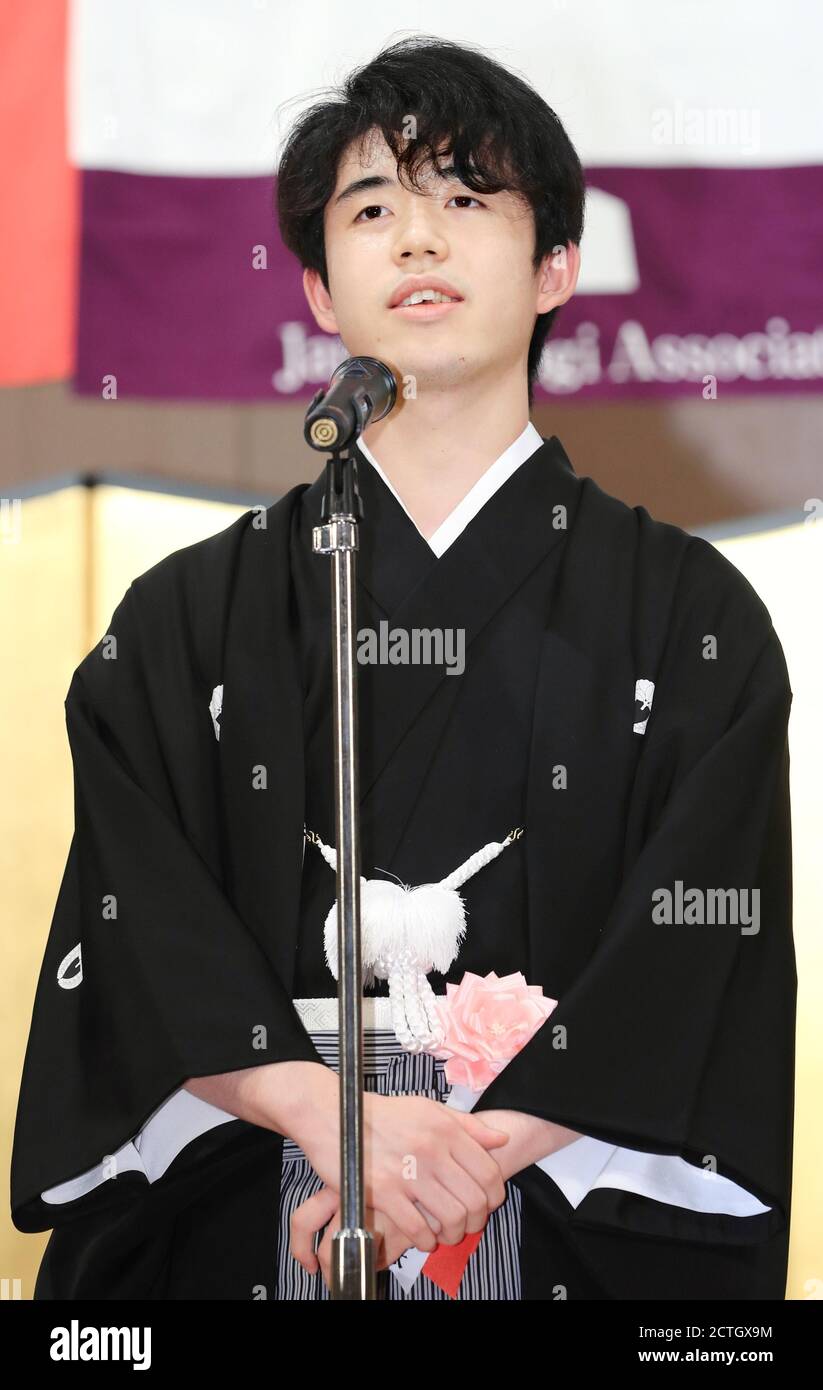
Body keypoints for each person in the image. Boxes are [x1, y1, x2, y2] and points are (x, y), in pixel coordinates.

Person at [11, 35, 795, 1301]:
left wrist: (464, 1157)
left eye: (466, 200)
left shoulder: (687, 615)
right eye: (373, 208)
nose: (418, 239)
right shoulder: (186, 619)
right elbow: (140, 915)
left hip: (553, 1179)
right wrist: (330, 1119)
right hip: (264, 1166)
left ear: (556, 268)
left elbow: (697, 935)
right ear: (319, 289)